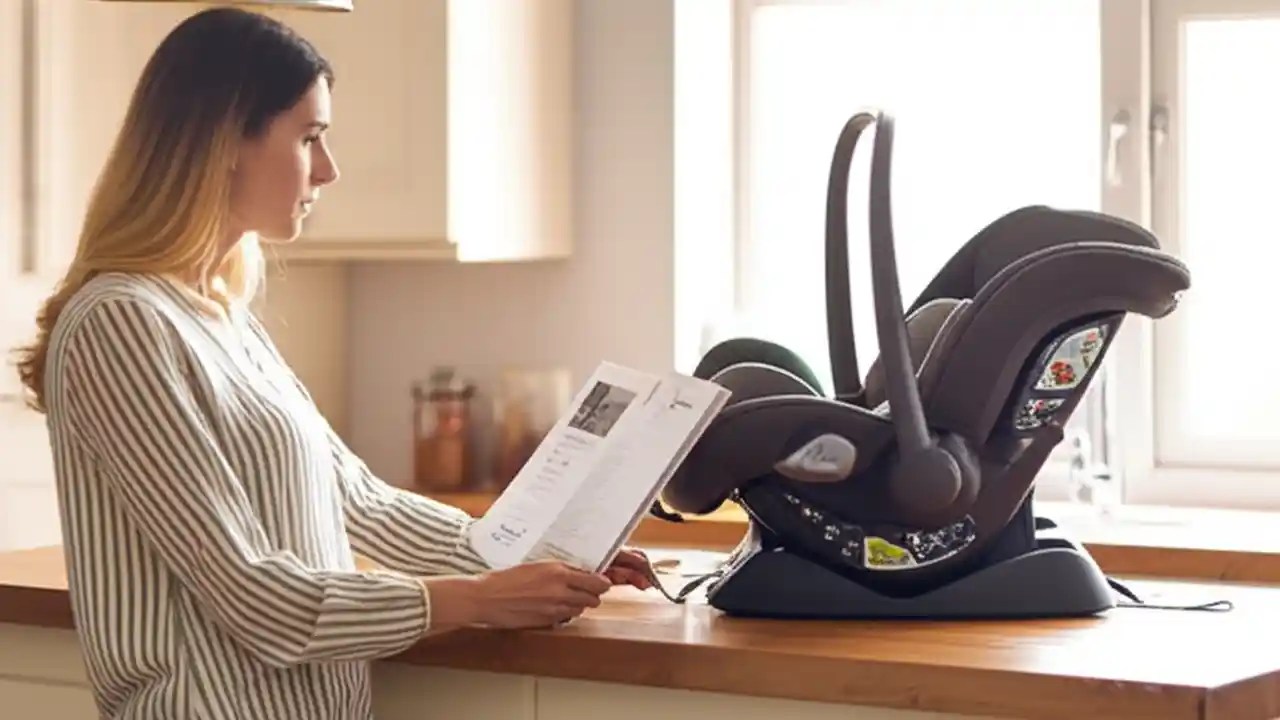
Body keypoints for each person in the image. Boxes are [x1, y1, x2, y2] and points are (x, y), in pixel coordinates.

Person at [12, 7, 654, 719]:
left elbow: (360, 503)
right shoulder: (119, 325)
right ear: (225, 140)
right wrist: (479, 599)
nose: (329, 168)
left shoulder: (220, 319)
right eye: (309, 136)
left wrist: (538, 557)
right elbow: (252, 594)